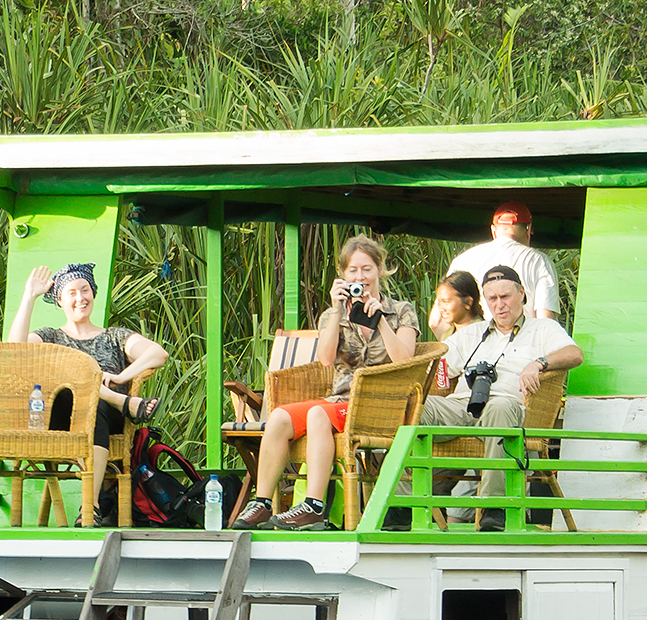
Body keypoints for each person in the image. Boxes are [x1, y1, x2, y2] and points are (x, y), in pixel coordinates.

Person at [234, 235, 421, 530]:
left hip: (381, 403)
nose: (361, 277)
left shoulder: (401, 310)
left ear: (381, 270)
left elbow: (405, 361)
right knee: (280, 416)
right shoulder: (335, 314)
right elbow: (324, 359)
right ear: (343, 276)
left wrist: (381, 319)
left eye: (367, 269)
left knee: (318, 414)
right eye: (353, 271)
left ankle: (313, 506)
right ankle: (262, 501)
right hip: (341, 401)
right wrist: (336, 310)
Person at [444, 264, 582, 531]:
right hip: (461, 407)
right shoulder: (471, 333)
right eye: (492, 299)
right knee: (417, 407)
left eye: (505, 297)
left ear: (521, 293)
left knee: (500, 407)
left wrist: (539, 362)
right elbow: (437, 365)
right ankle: (399, 508)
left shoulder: (542, 328)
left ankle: (494, 508)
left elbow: (574, 354)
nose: (499, 305)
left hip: (508, 409)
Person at [9, 263, 169, 443]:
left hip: (109, 417)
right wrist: (29, 297)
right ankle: (122, 401)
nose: (80, 298)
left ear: (93, 293)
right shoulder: (50, 336)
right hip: (63, 415)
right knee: (75, 376)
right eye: (71, 293)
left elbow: (157, 353)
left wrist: (121, 377)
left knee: (96, 406)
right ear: (60, 300)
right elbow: (15, 350)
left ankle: (114, 402)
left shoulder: (114, 337)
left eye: (85, 290)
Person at [434, 204, 558, 328]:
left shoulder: (462, 260)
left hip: (473, 343)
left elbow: (436, 322)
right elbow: (546, 321)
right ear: (528, 229)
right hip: (521, 343)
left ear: (493, 230)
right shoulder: (539, 261)